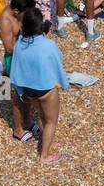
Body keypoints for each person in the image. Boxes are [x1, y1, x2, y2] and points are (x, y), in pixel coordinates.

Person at [9, 8, 68, 164]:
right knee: (51, 121)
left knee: (41, 115)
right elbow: (58, 59)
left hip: (27, 88)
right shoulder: (47, 44)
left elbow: (16, 66)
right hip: (44, 88)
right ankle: (44, 155)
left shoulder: (19, 43)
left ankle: (47, 141)